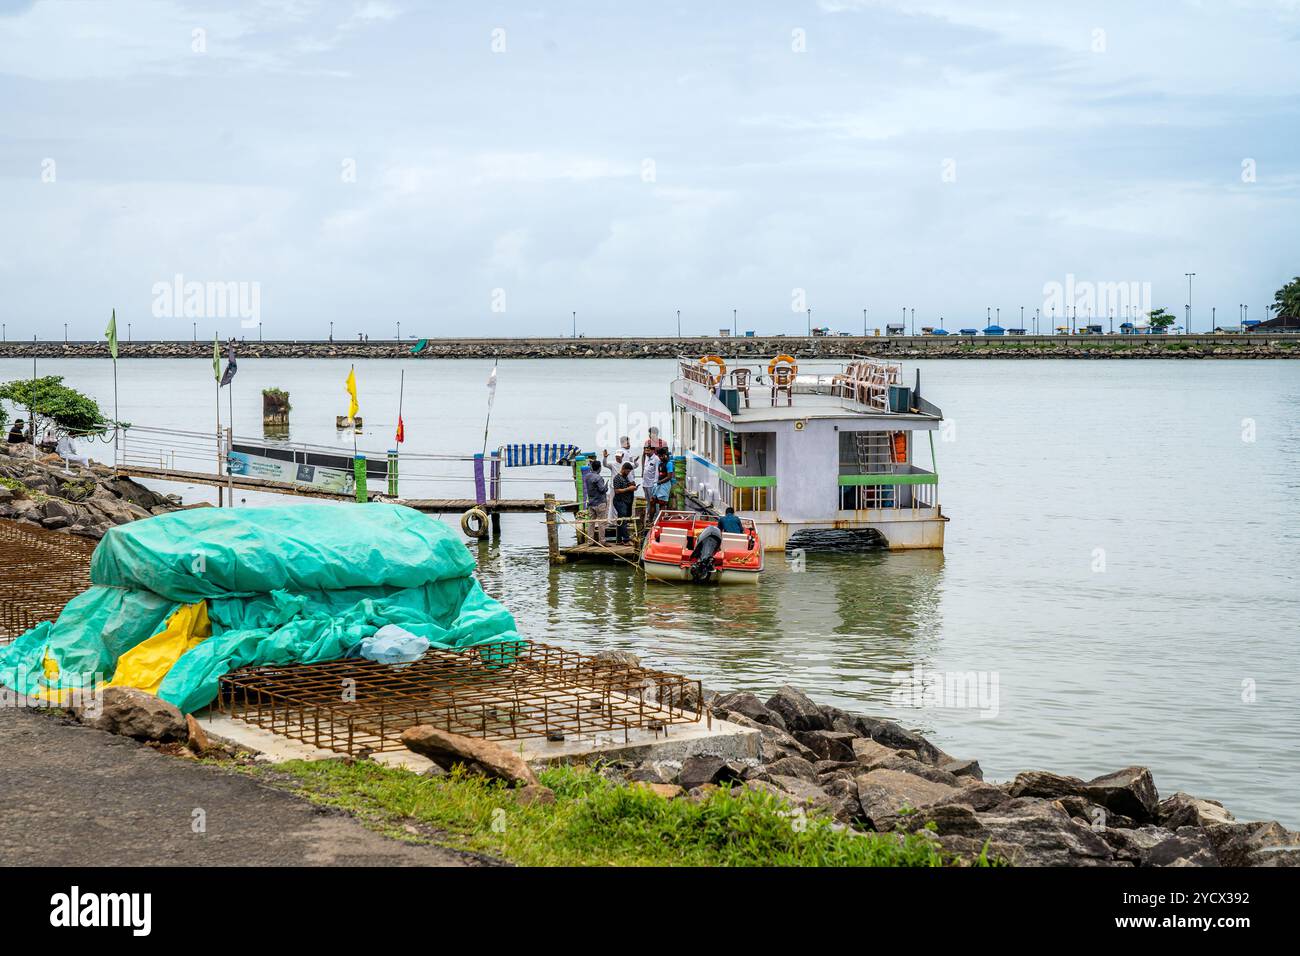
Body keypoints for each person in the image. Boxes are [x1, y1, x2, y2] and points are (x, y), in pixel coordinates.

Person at [582, 459, 609, 545]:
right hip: (600, 503)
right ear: (600, 468)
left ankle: (590, 541)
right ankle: (602, 541)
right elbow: (602, 489)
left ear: (592, 467)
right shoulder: (598, 477)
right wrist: (606, 486)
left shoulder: (587, 476)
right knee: (602, 522)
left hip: (591, 502)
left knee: (591, 523)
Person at [611, 461, 637, 544]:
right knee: (623, 520)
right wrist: (629, 489)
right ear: (623, 469)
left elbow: (625, 485)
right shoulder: (617, 478)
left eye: (629, 472)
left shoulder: (626, 477)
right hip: (619, 501)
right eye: (627, 471)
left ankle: (618, 540)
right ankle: (626, 539)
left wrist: (631, 485)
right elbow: (617, 491)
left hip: (625, 501)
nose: (628, 473)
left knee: (620, 520)